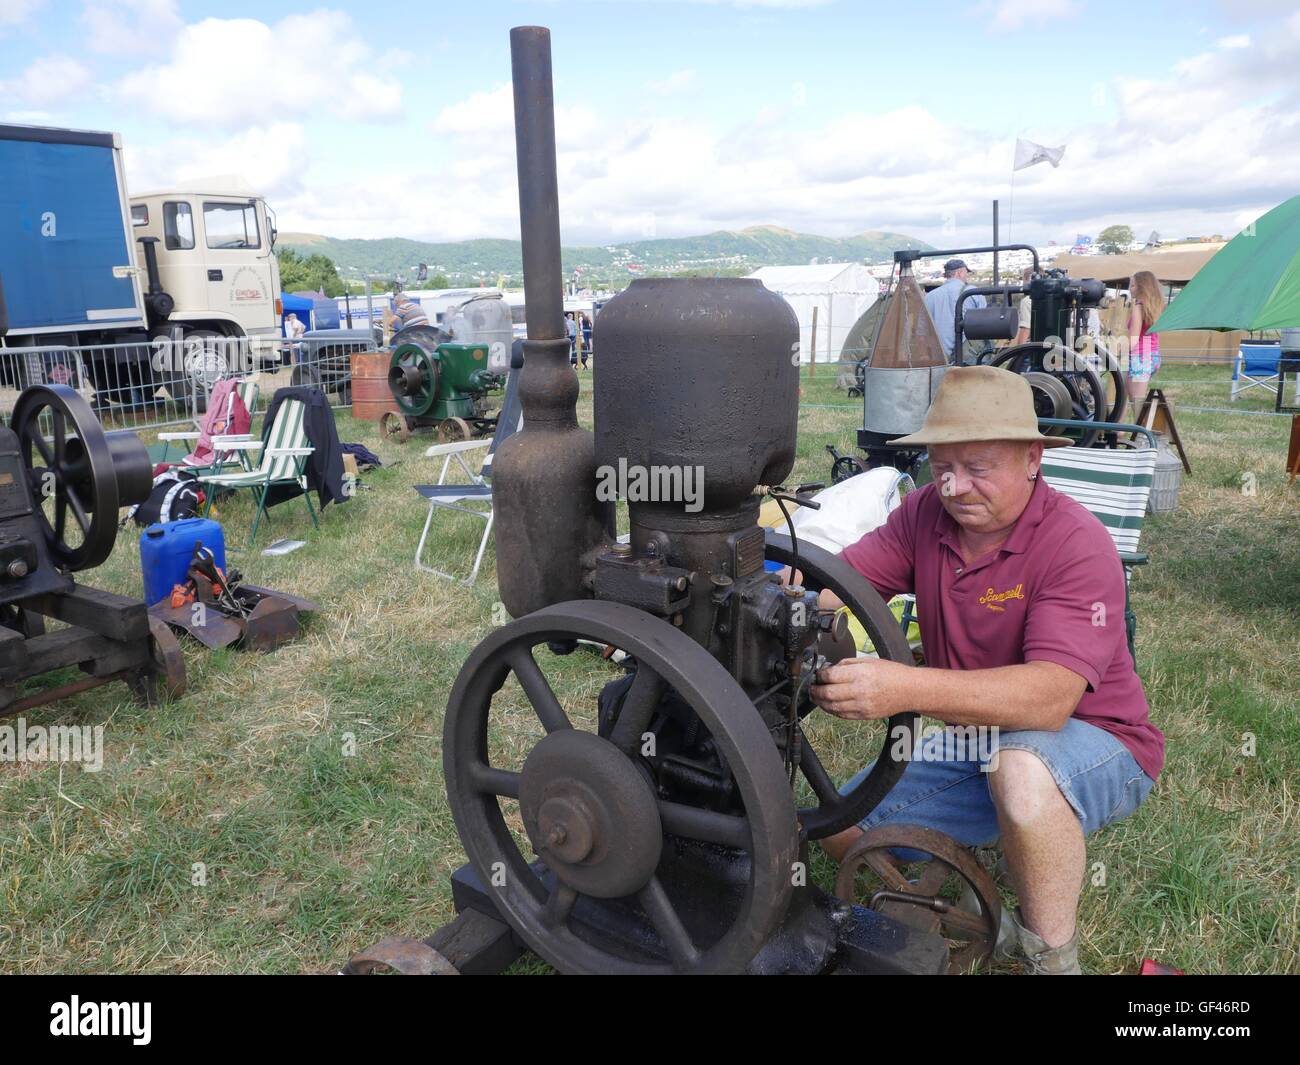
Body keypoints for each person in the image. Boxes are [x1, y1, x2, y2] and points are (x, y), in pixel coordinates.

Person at [810, 365, 1163, 975]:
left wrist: (901, 687)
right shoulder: (923, 513)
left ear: (1032, 459)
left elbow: (1049, 700)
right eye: (942, 466)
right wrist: (779, 589)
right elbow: (837, 584)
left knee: (1021, 771)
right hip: (977, 738)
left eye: (978, 468)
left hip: (1096, 740)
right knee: (839, 826)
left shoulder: (1076, 543)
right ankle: (994, 862)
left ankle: (1048, 955)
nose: (954, 486)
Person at [923, 258, 986, 359]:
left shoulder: (929, 296)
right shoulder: (973, 292)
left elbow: (922, 329)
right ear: (959, 273)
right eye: (966, 273)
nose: (967, 276)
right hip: (968, 353)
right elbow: (984, 321)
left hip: (939, 356)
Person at [1126, 270, 1163, 415]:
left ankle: (1145, 429)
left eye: (1133, 285)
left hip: (1139, 358)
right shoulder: (1155, 307)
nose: (1130, 289)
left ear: (1142, 287)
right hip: (1152, 355)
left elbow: (1133, 340)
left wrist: (1116, 350)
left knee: (1138, 405)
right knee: (1136, 402)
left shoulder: (1138, 307)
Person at [1013, 266, 1034, 346]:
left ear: (1027, 280)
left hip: (1037, 347)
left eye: (1023, 279)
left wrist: (1018, 351)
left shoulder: (1027, 301)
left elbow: (1025, 330)